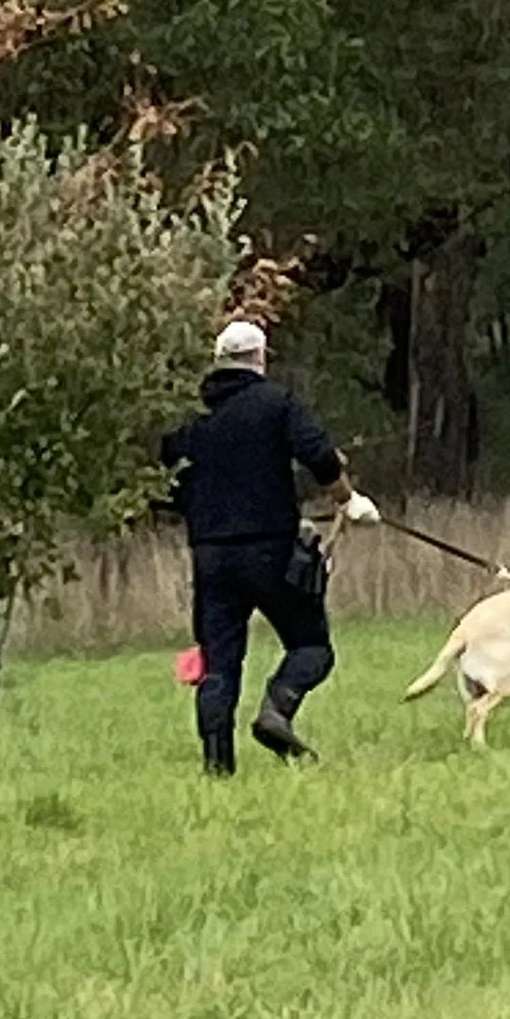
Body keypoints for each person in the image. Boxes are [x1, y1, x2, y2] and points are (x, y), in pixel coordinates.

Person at [161, 317, 380, 775]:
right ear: (259, 358)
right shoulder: (275, 403)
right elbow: (319, 455)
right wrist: (349, 500)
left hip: (211, 555)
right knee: (311, 646)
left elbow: (166, 482)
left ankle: (217, 768)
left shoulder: (191, 415)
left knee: (218, 665)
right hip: (272, 551)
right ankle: (275, 712)